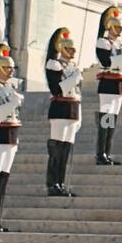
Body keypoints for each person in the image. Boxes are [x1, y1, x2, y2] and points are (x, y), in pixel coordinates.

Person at [0, 42, 24, 232]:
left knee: (3, 178)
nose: (10, 71)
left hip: (10, 135)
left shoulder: (9, 87)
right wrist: (12, 105)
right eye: (6, 67)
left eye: (12, 67)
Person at [45, 28, 82, 197]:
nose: (73, 52)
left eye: (74, 49)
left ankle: (60, 182)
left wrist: (79, 114)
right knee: (57, 147)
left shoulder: (72, 66)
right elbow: (57, 89)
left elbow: (77, 93)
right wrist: (73, 78)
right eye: (70, 49)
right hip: (60, 109)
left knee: (66, 148)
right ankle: (52, 182)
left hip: (72, 110)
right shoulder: (54, 64)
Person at [94, 5, 122, 166]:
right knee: (106, 117)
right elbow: (106, 61)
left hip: (118, 84)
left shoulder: (119, 45)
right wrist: (119, 58)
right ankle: (101, 153)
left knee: (112, 118)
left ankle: (107, 152)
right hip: (107, 83)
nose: (119, 30)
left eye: (120, 27)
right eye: (117, 27)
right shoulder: (103, 42)